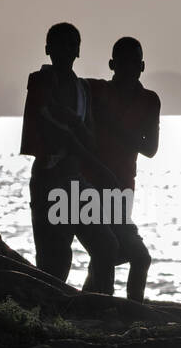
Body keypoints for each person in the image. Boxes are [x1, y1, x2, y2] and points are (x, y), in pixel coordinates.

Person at [19, 22, 119, 293]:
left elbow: (87, 136)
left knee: (106, 246)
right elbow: (54, 131)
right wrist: (78, 135)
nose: (66, 50)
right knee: (56, 261)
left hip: (76, 180)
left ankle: (96, 306)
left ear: (78, 50)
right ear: (47, 49)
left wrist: (76, 129)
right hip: (49, 180)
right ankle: (50, 314)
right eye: (59, 44)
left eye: (71, 44)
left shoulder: (82, 90)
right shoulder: (40, 82)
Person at [84, 36, 161, 302]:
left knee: (138, 258)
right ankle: (102, 311)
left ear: (142, 67)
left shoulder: (150, 101)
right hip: (89, 189)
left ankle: (132, 314)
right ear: (111, 64)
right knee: (105, 251)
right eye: (123, 63)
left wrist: (114, 127)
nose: (129, 69)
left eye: (134, 63)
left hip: (123, 191)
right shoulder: (95, 91)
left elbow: (150, 149)